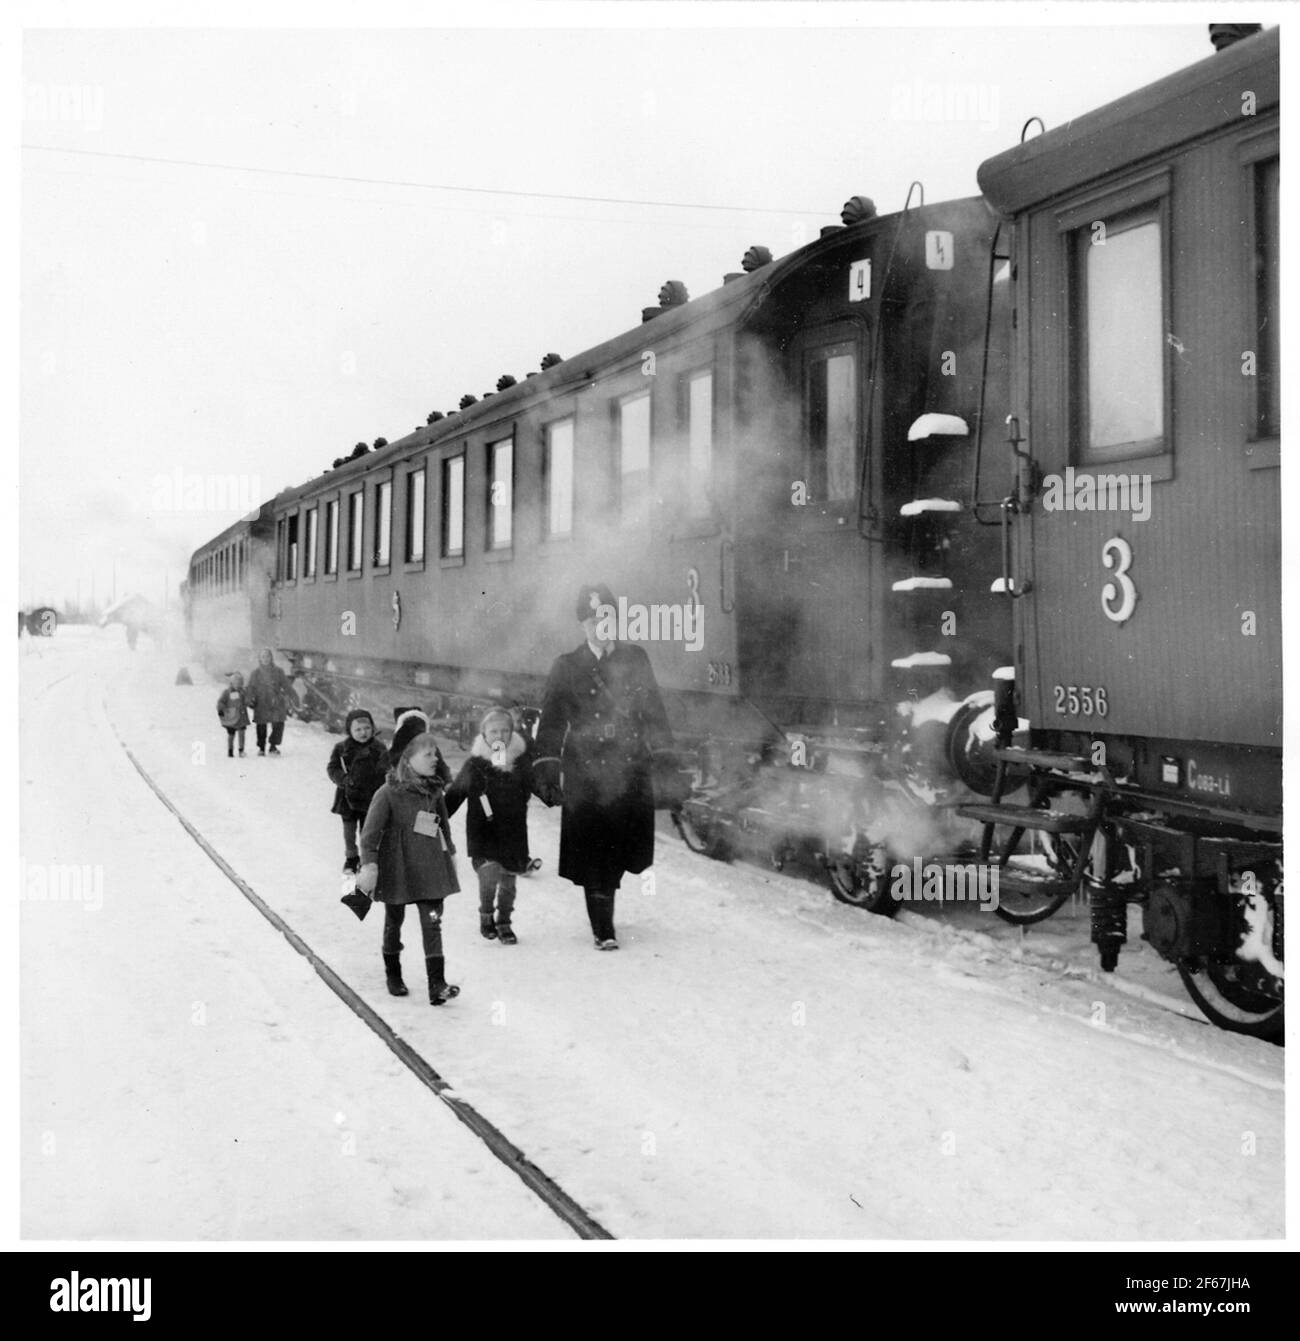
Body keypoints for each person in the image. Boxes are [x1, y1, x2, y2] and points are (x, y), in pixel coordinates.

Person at [534, 583, 673, 950]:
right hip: (587, 771)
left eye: (609, 617)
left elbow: (654, 711)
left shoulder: (635, 658)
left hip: (629, 767)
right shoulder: (566, 666)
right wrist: (547, 769)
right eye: (595, 619)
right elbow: (550, 722)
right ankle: (603, 926)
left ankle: (605, 903)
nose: (603, 625)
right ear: (583, 624)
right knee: (594, 851)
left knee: (622, 845)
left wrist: (666, 758)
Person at [357, 716, 461, 1004]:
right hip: (398, 867)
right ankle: (393, 972)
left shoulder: (434, 792)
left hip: (429, 865)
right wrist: (370, 864)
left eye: (435, 753)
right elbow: (368, 835)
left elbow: (443, 825)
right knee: (395, 919)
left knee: (433, 921)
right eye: (427, 754)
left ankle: (436, 984)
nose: (434, 758)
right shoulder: (387, 793)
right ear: (408, 758)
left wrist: (449, 852)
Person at [446, 707, 534, 945]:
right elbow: (454, 795)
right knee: (488, 877)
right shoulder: (475, 764)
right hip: (482, 833)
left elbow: (533, 788)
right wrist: (434, 818)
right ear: (483, 733)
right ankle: (486, 915)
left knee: (508, 883)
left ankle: (504, 922)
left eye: (505, 730)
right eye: (493, 730)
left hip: (512, 833)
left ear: (512, 733)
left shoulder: (521, 761)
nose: (499, 735)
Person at [326, 709, 389, 875]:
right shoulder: (341, 748)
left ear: (373, 728)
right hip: (348, 797)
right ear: (350, 731)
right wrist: (343, 779)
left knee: (368, 831)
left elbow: (386, 769)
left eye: (367, 728)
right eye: (358, 730)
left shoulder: (379, 748)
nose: (363, 733)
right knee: (349, 831)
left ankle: (368, 859)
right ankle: (351, 858)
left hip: (370, 797)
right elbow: (333, 768)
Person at [248, 648, 294, 755]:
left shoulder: (279, 672)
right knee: (261, 726)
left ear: (271, 658)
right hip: (261, 702)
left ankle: (273, 746)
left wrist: (293, 697)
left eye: (267, 656)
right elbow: (250, 688)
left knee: (278, 723)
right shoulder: (255, 673)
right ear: (260, 659)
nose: (265, 659)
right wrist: (249, 699)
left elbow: (286, 686)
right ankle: (261, 748)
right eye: (263, 656)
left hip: (276, 701)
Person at [216, 672, 250, 758]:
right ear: (231, 683)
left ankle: (241, 750)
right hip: (231, 717)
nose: (238, 685)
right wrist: (221, 709)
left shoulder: (243, 692)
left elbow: (247, 701)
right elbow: (221, 702)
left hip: (242, 717)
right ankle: (230, 750)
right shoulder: (227, 692)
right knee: (231, 734)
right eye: (236, 683)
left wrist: (249, 702)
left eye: (240, 683)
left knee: (241, 733)